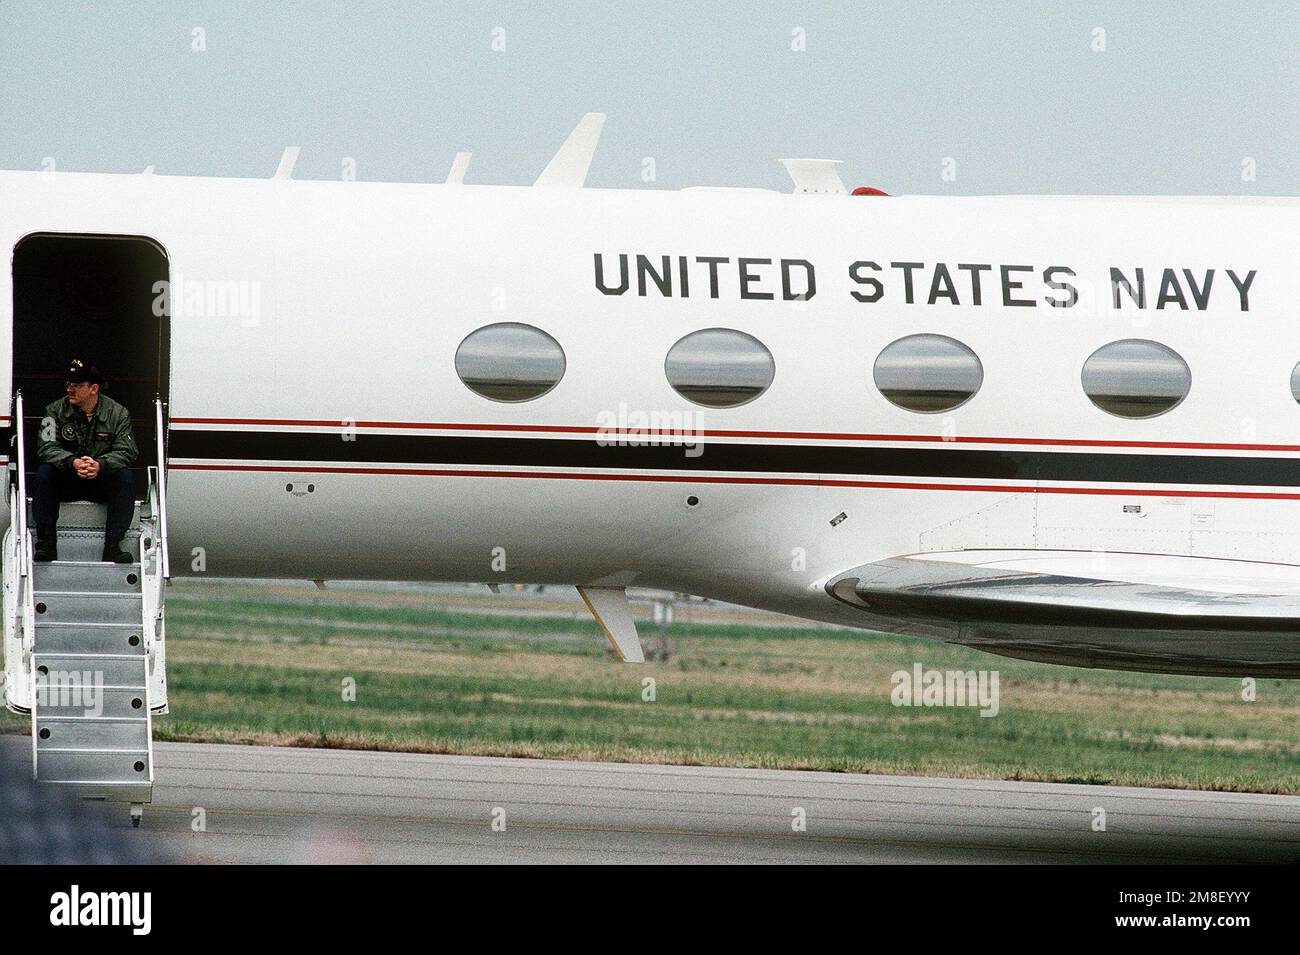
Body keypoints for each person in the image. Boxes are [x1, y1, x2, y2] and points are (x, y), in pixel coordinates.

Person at [32, 359, 138, 563]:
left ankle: (113, 546)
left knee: (125, 478)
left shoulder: (118, 413)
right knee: (44, 474)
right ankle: (46, 544)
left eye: (77, 386)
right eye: (69, 385)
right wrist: (72, 462)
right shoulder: (53, 411)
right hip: (68, 479)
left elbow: (127, 450)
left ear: (94, 389)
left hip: (100, 481)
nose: (70, 390)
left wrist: (100, 465)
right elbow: (46, 448)